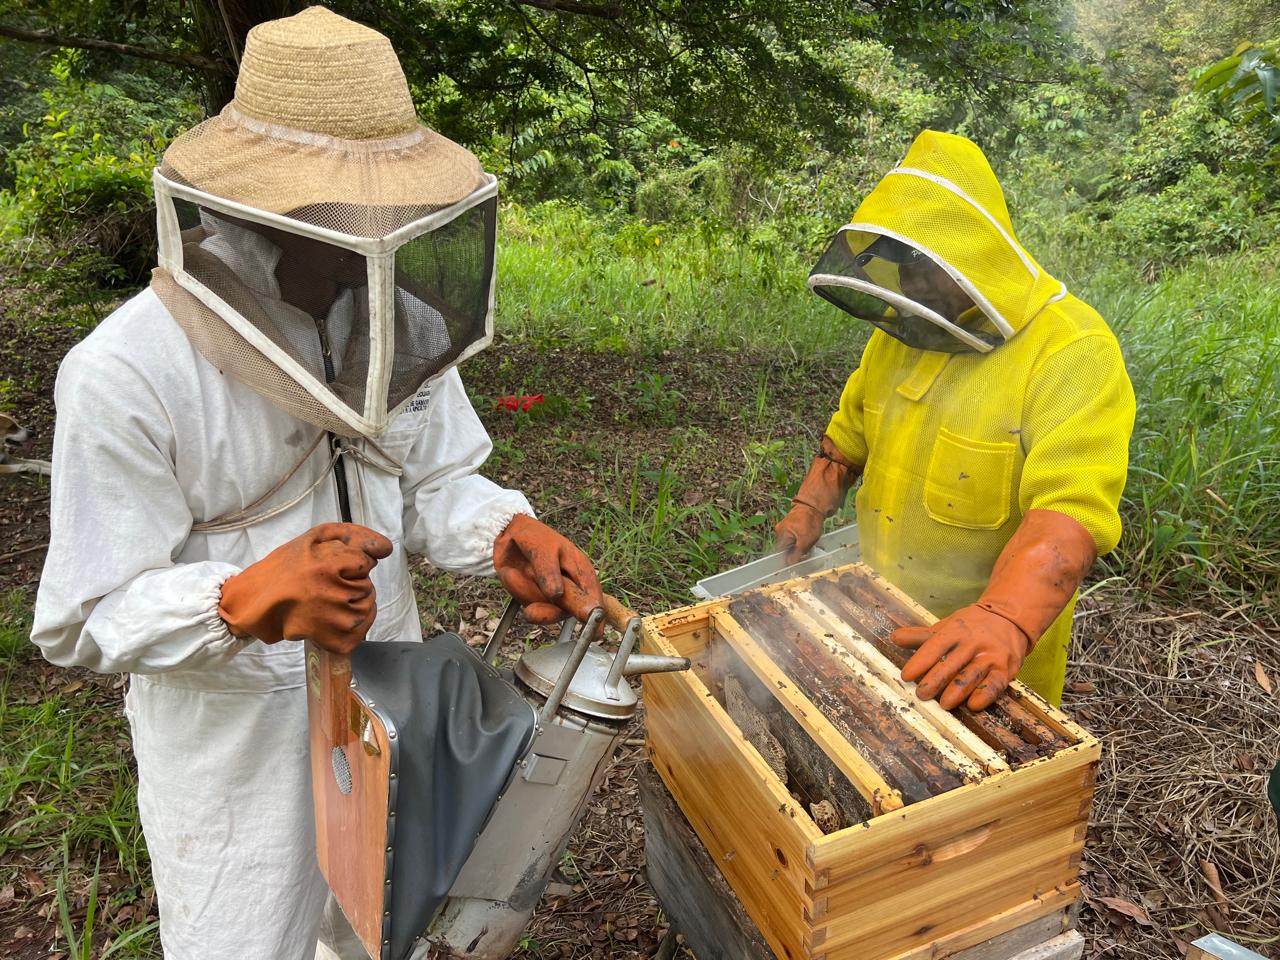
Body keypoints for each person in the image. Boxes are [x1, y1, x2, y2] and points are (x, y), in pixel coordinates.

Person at [30, 8, 601, 959]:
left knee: (386, 917)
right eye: (343, 212)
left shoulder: (394, 319)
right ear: (265, 206)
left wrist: (500, 530)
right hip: (238, 742)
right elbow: (83, 615)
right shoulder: (127, 370)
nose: (373, 233)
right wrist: (242, 597)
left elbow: (435, 475)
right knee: (252, 935)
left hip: (391, 697)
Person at [776, 130, 1135, 711]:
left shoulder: (1072, 350)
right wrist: (810, 505)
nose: (908, 283)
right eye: (896, 263)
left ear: (971, 251)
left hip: (985, 666)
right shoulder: (905, 331)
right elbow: (850, 434)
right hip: (877, 621)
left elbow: (1071, 512)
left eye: (921, 264)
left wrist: (1003, 619)